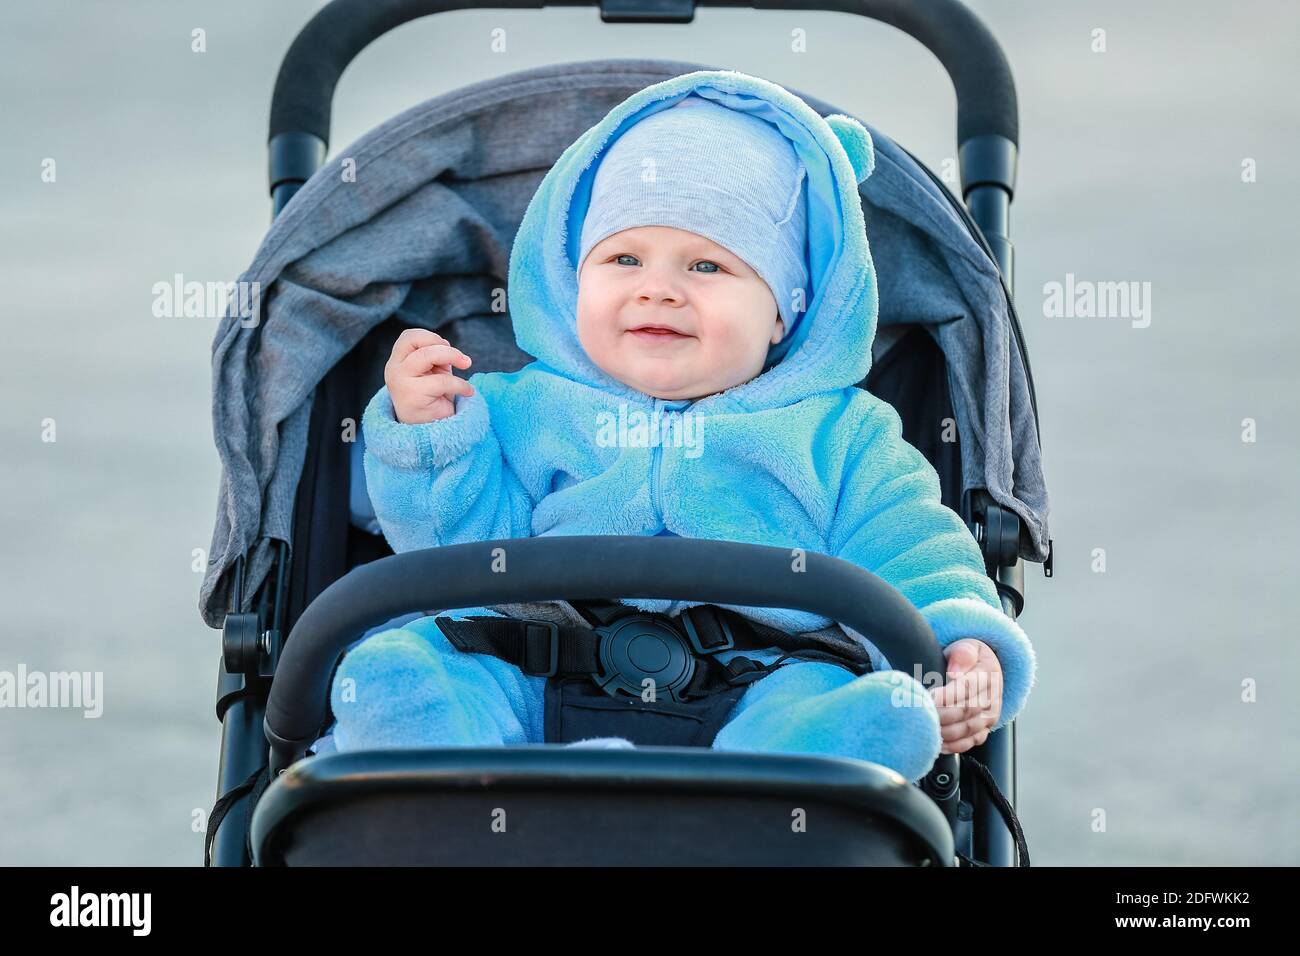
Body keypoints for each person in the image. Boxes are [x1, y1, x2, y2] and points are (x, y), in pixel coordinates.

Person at [325, 71, 1036, 783]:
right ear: (575, 280)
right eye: (623, 258)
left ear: (787, 310)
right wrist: (430, 441)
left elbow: (912, 547)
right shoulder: (516, 408)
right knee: (406, 669)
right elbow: (457, 555)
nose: (658, 288)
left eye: (707, 265)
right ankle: (442, 772)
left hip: (762, 677)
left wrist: (962, 642)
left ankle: (816, 771)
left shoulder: (843, 437)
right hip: (533, 661)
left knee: (842, 705)